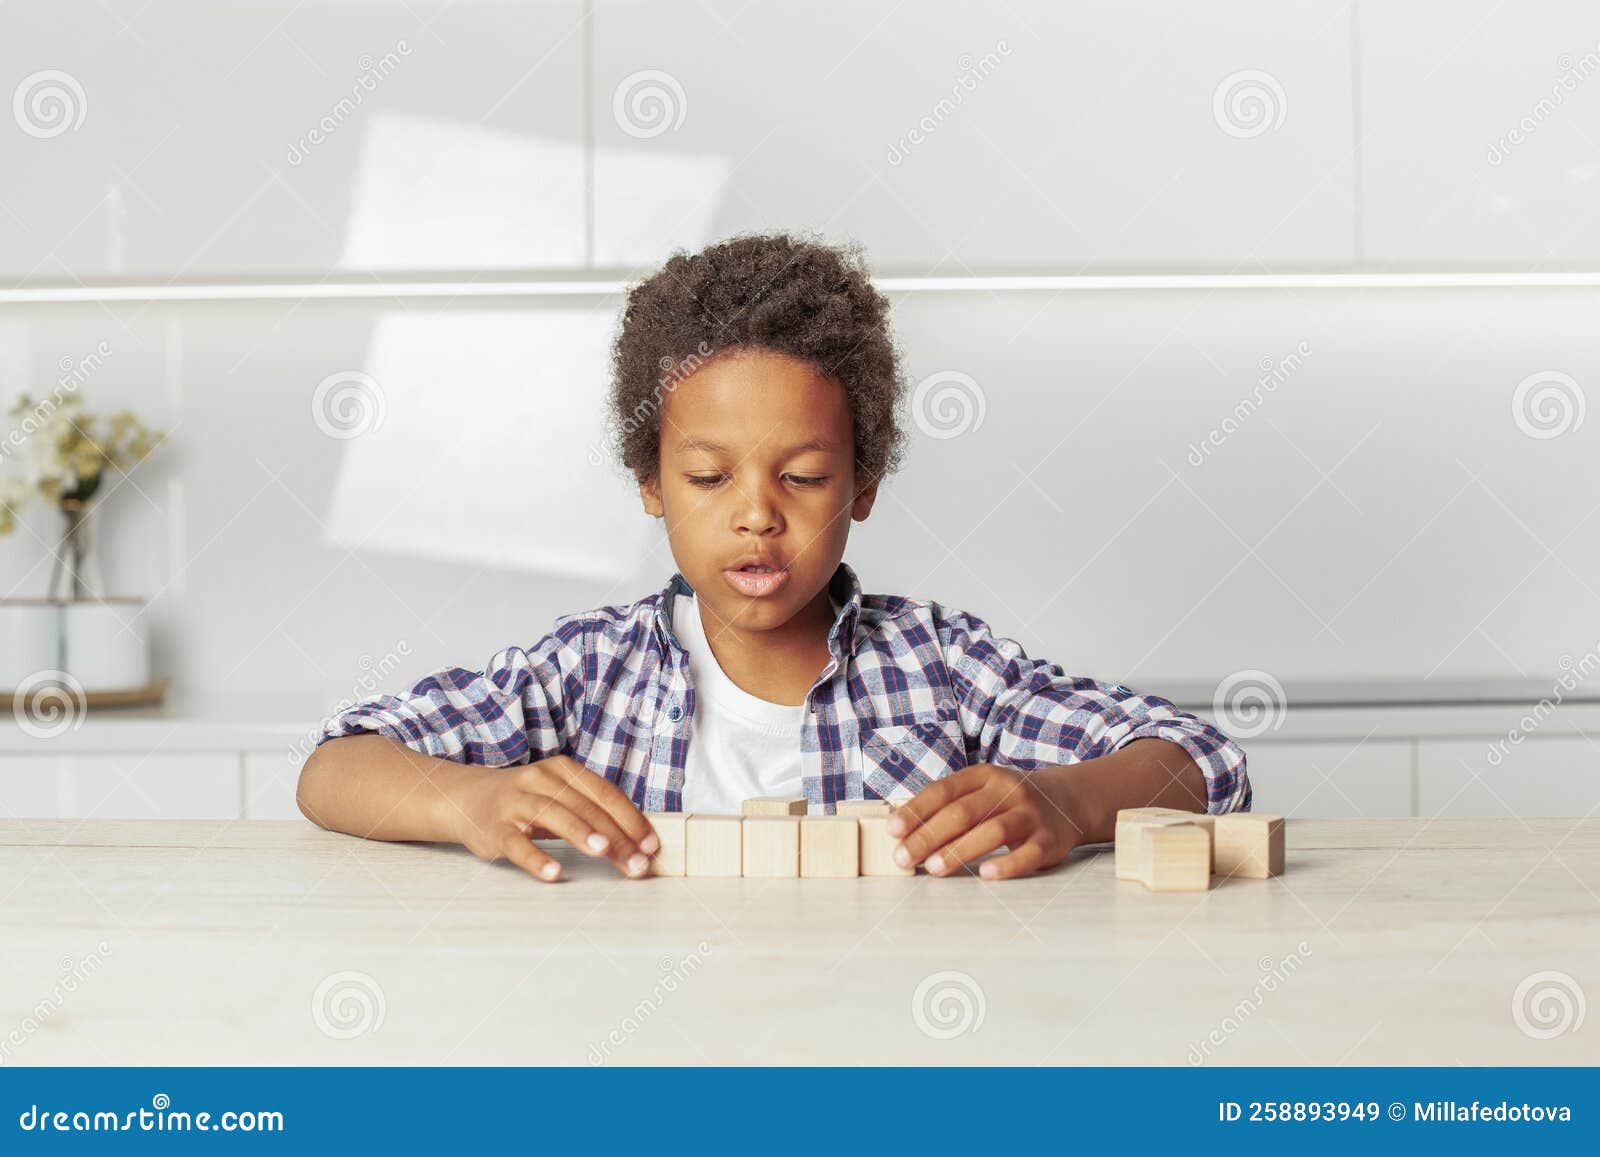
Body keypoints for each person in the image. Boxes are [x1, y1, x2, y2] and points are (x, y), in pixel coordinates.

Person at [297, 232, 1249, 883]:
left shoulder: (942, 668)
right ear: (651, 484)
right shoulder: (586, 672)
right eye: (709, 478)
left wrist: (1064, 802)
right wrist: (473, 799)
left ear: (862, 485)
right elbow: (335, 767)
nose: (756, 516)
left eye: (801, 476)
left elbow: (1201, 759)